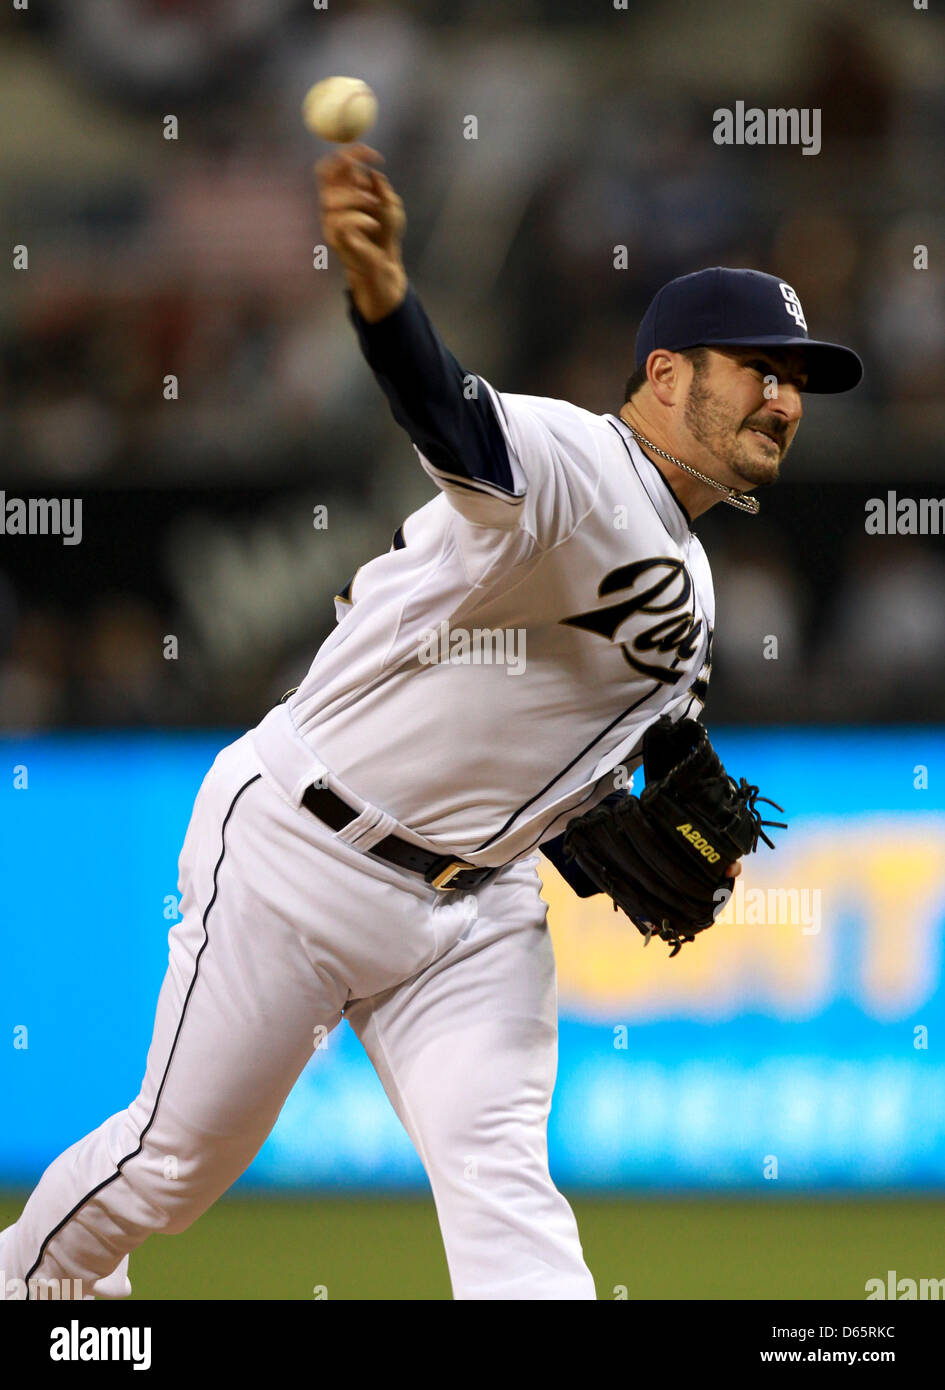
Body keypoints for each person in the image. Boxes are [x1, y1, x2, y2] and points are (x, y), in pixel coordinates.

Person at [0, 145, 862, 1302]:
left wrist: (613, 815)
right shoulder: (573, 459)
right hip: (302, 851)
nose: (785, 398)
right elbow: (444, 409)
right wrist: (380, 291)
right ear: (665, 373)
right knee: (170, 1170)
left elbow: (570, 764)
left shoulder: (698, 592)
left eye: (800, 379)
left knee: (507, 1191)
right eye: (759, 367)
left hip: (473, 913)